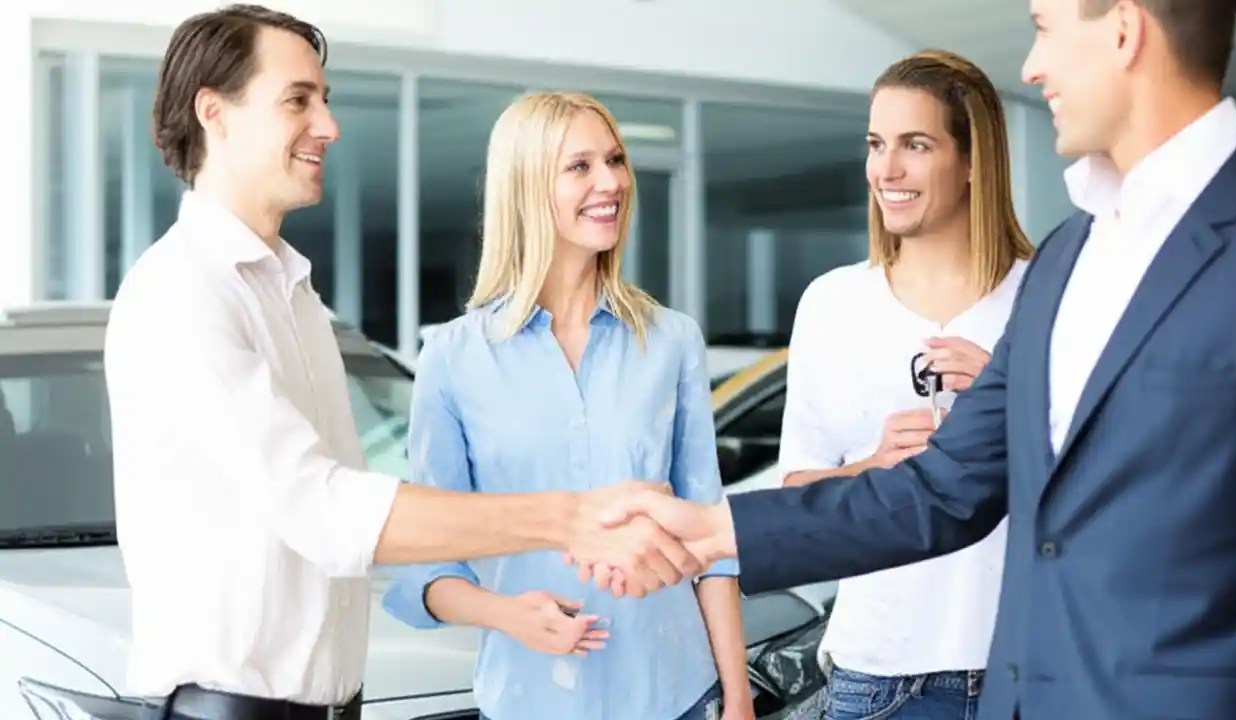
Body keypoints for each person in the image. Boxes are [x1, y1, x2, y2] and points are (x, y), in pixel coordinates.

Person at [588, 1, 1236, 718]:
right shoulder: (1073, 259)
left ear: (1124, 30)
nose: (1031, 66)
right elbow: (941, 492)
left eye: (1044, 27)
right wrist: (707, 530)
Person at [104, 7, 698, 720]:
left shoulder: (291, 296)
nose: (329, 126)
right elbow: (326, 510)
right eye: (299, 99)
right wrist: (569, 519)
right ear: (215, 113)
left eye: (326, 99)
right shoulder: (183, 292)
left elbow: (362, 524)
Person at [380, 90, 753, 720]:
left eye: (615, 160)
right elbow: (429, 565)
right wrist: (507, 615)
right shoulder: (452, 358)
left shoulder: (671, 342)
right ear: (527, 187)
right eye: (579, 166)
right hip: (530, 699)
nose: (611, 182)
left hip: (673, 694)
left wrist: (738, 698)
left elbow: (716, 543)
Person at [778, 50, 1032, 719]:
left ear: (975, 160)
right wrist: (873, 468)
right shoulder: (831, 304)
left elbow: (1115, 487)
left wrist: (1016, 402)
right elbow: (798, 498)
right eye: (875, 144)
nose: (884, 171)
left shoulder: (1045, 297)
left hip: (1031, 670)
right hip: (881, 679)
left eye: (914, 145)